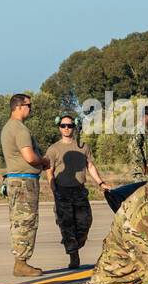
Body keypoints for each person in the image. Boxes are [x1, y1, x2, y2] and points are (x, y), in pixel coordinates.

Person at [44, 114, 110, 269]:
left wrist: (101, 183)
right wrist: (53, 188)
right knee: (66, 225)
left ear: (75, 127)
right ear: (59, 127)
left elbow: (90, 167)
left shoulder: (83, 147)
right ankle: (74, 256)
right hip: (63, 192)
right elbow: (49, 171)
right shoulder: (53, 149)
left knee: (85, 222)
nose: (67, 128)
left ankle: (75, 244)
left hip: (79, 191)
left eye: (70, 126)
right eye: (63, 126)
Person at [0, 93, 50, 277]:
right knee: (26, 221)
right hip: (24, 181)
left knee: (18, 221)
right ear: (19, 107)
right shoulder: (20, 129)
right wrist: (43, 161)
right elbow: (29, 157)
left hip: (15, 180)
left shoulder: (8, 128)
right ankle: (21, 263)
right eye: (29, 105)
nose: (31, 109)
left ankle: (20, 261)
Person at [128, 105, 148, 182]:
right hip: (142, 174)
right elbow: (134, 148)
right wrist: (143, 166)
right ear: (146, 116)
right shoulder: (138, 129)